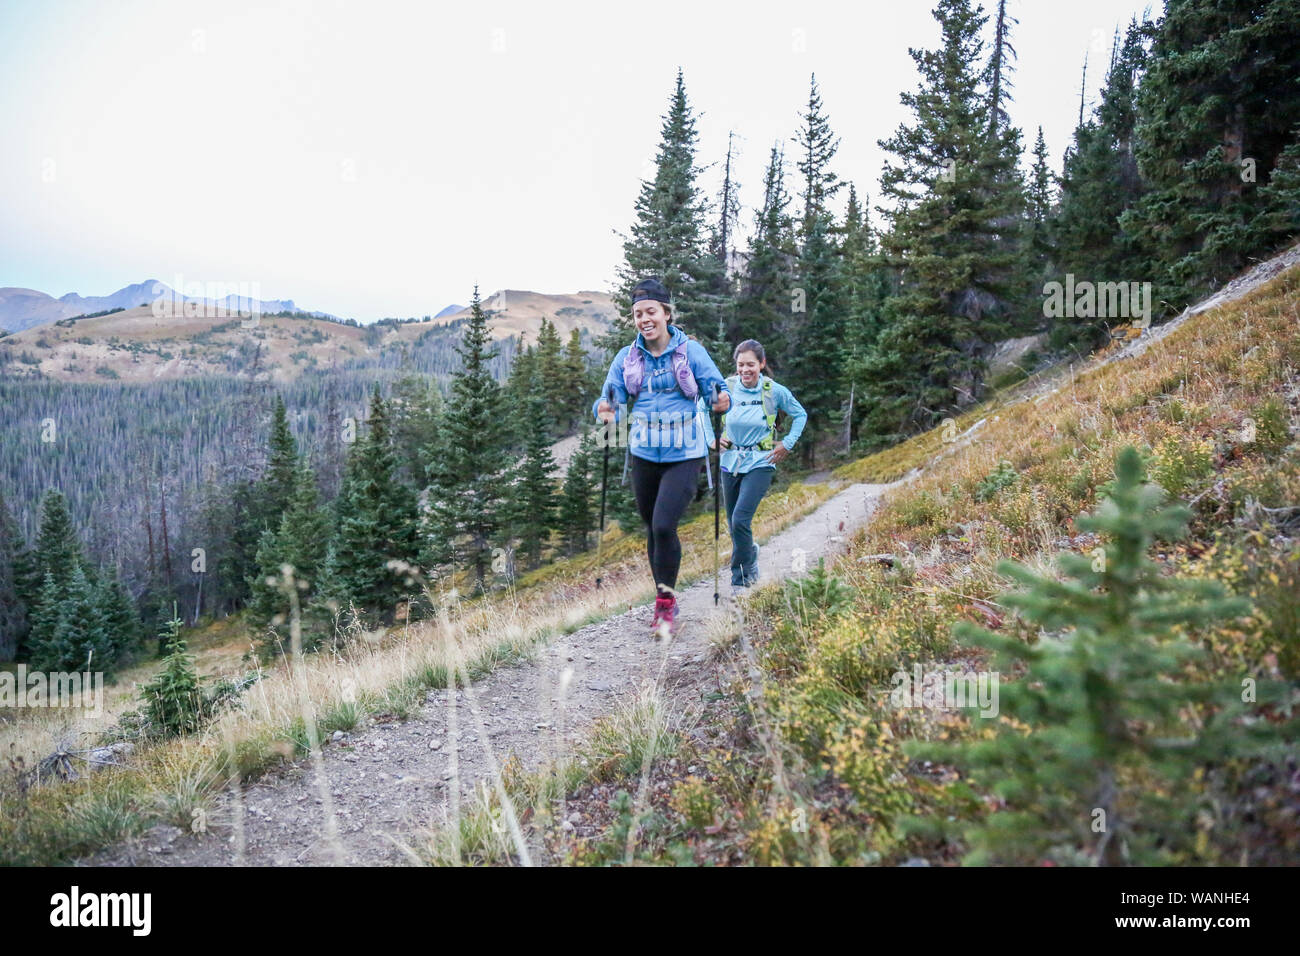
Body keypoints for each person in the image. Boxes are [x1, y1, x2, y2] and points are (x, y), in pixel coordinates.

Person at [594, 277, 730, 636]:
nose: (644, 319)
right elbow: (613, 398)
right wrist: (605, 410)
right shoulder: (627, 357)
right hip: (642, 451)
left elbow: (717, 389)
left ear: (667, 313)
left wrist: (721, 399)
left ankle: (666, 607)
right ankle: (662, 599)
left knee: (663, 525)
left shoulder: (691, 352)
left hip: (684, 451)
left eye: (651, 311)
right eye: (638, 314)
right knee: (652, 529)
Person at [699, 339, 807, 589]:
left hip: (761, 461)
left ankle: (740, 580)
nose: (745, 370)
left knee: (740, 521)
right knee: (733, 525)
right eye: (740, 365)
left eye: (751, 364)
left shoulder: (774, 391)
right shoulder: (725, 387)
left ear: (762, 364)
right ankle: (751, 557)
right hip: (730, 461)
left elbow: (800, 414)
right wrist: (711, 439)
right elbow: (701, 409)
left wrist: (788, 443)